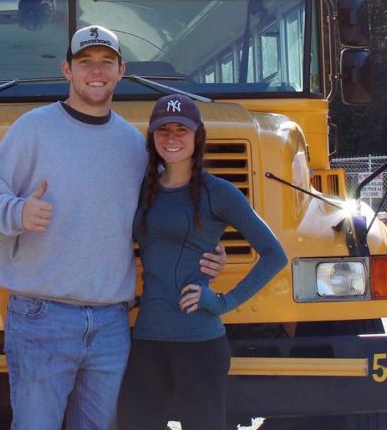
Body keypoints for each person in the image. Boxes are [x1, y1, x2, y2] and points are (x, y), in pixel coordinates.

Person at [0, 26, 226, 430]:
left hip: (110, 322)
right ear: (67, 70)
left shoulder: (132, 144)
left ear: (120, 70)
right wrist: (18, 213)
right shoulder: (32, 129)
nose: (96, 71)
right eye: (85, 62)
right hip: (41, 315)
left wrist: (206, 245)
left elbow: (164, 212)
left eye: (106, 63)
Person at [117, 93, 289, 430]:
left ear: (198, 136)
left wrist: (224, 302)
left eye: (182, 129)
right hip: (148, 336)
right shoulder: (142, 190)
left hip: (199, 340)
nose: (172, 137)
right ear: (152, 138)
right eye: (163, 129)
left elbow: (274, 254)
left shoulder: (219, 192)